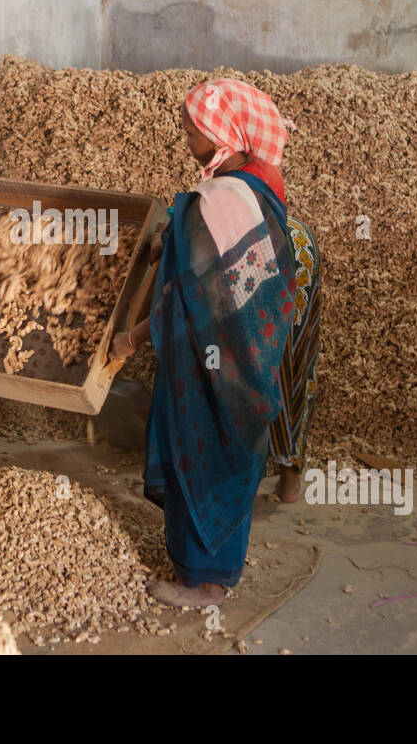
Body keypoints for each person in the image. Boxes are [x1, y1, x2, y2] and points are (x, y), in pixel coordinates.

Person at [110, 78, 318, 608]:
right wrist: (169, 240)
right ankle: (217, 569)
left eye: (193, 129)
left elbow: (188, 300)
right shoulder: (258, 180)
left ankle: (202, 584)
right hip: (247, 363)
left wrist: (132, 338)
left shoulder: (213, 201)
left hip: (208, 368)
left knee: (199, 452)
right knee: (231, 451)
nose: (186, 137)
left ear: (222, 135)